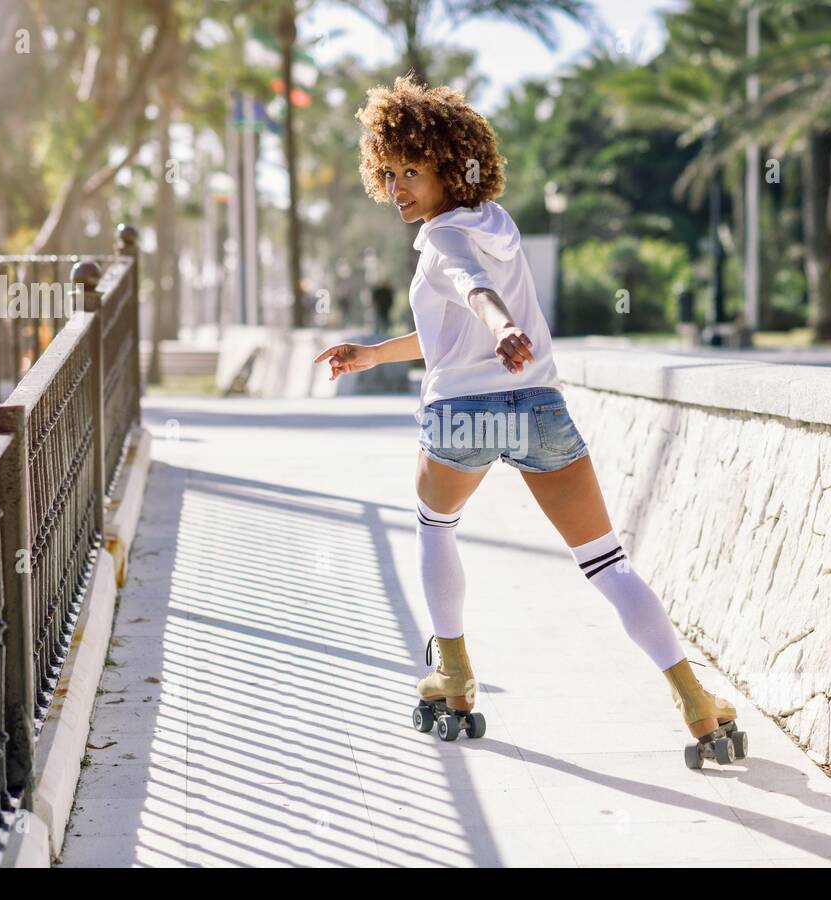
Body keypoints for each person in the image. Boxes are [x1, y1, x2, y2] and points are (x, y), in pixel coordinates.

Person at [313, 74, 744, 766]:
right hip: (536, 408)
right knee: (606, 562)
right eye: (389, 173)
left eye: (412, 172)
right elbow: (455, 325)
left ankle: (452, 671)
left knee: (433, 526)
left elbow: (468, 289)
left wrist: (503, 325)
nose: (397, 188)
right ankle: (692, 695)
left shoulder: (440, 241)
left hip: (460, 419)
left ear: (451, 166)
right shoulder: (500, 225)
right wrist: (375, 354)